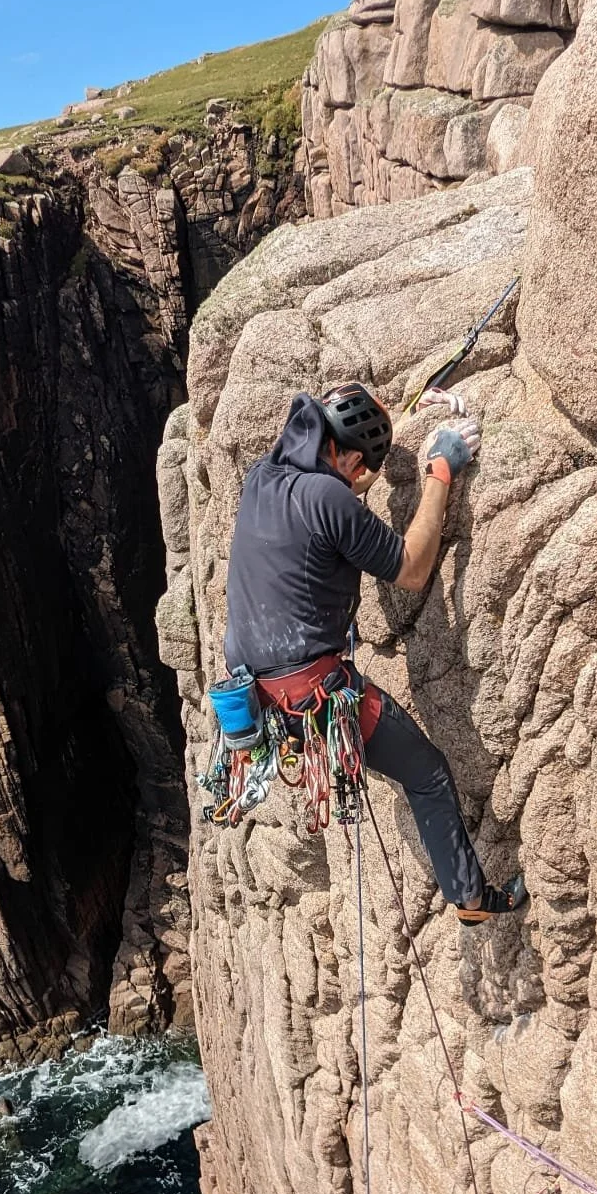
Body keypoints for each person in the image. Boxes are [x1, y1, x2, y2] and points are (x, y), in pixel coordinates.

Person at [224, 383, 526, 925]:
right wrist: (439, 471)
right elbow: (411, 569)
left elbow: (321, 513)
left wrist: (405, 406)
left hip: (255, 700)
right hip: (316, 697)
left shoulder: (259, 480)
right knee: (428, 773)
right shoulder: (329, 499)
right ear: (353, 460)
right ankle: (473, 900)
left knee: (405, 764)